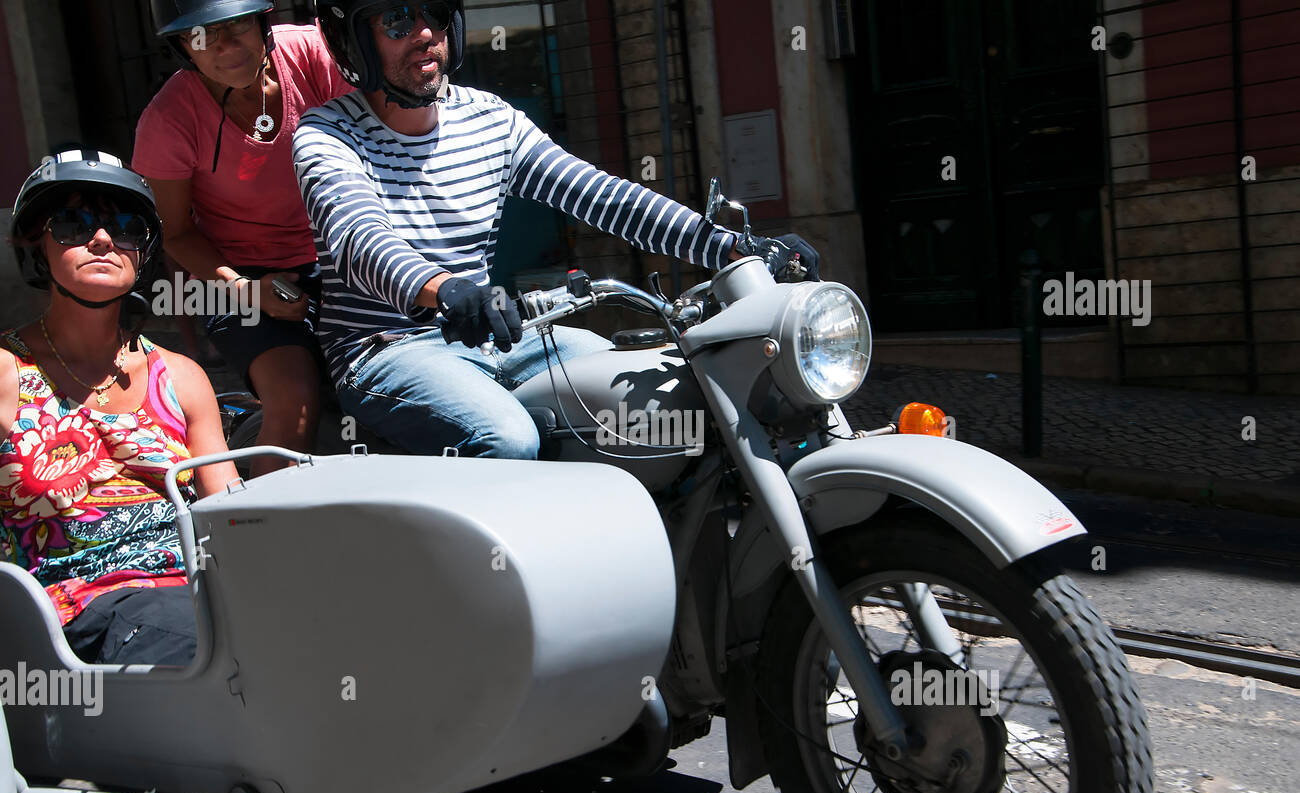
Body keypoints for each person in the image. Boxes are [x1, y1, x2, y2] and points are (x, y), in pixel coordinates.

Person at [294, 0, 819, 458]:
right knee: (507, 438)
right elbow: (357, 240)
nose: (426, 32)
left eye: (434, 11)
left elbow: (603, 197)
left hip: (487, 339)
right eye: (397, 20)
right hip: (385, 349)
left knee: (652, 398)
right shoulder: (327, 135)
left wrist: (732, 248)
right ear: (353, 40)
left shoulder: (491, 121)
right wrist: (446, 290)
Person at [0, 150, 238, 667]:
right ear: (36, 248)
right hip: (79, 613)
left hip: (205, 594)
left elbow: (232, 518)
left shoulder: (180, 375)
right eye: (71, 224)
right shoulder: (6, 371)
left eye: (127, 228)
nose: (104, 239)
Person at [133, 0, 353, 476]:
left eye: (236, 26)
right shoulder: (168, 120)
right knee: (294, 395)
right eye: (200, 35)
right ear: (179, 47)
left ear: (263, 24)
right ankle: (260, 533)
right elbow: (175, 233)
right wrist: (246, 291)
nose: (224, 46)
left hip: (345, 253)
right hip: (237, 272)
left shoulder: (313, 55)